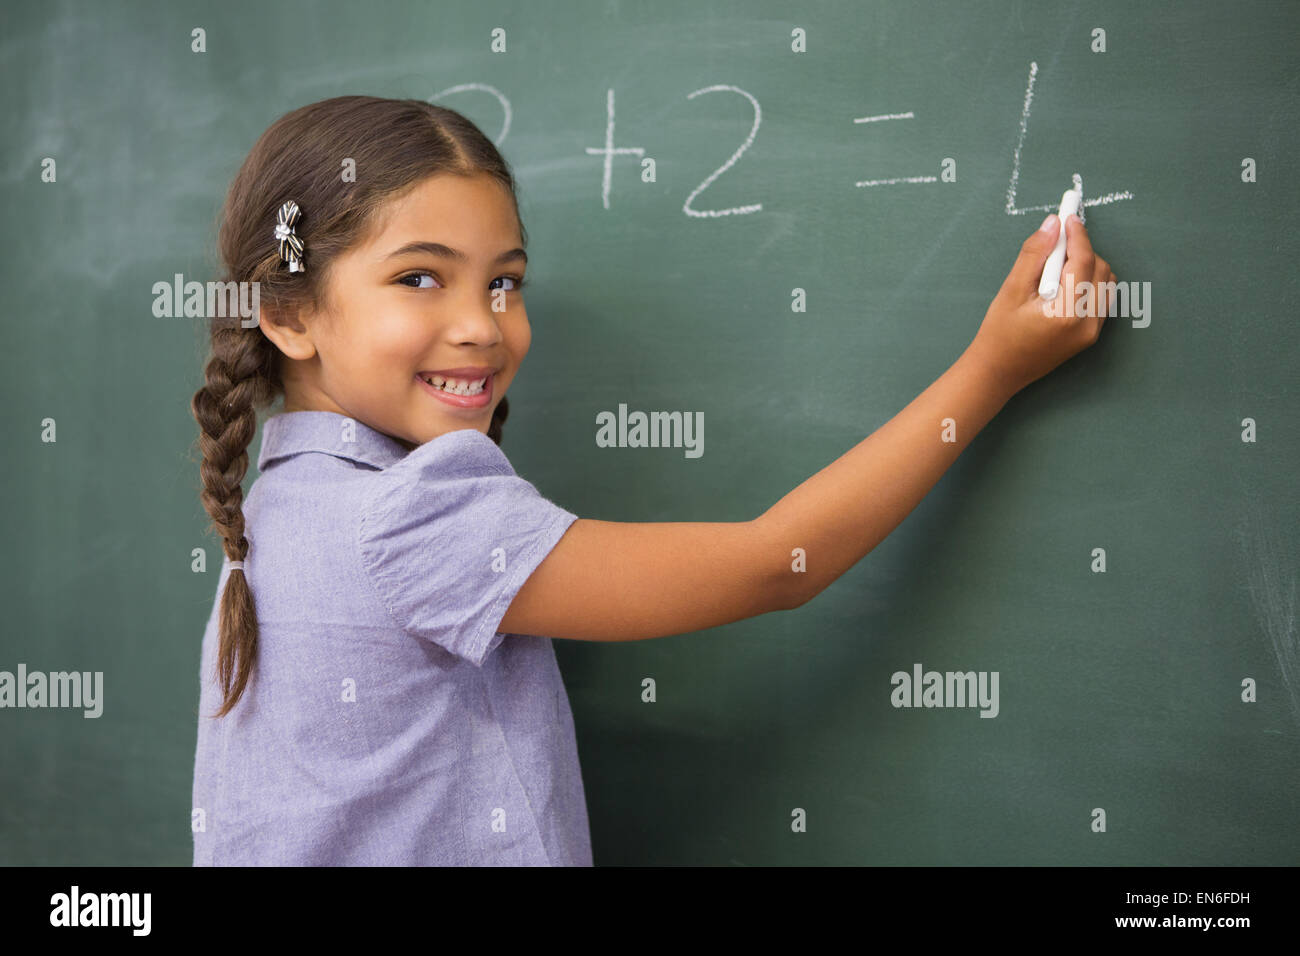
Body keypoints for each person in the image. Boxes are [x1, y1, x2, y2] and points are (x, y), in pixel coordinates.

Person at [190, 95, 1115, 866]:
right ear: (288, 312)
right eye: (422, 279)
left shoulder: (281, 504)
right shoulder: (410, 513)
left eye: (503, 283)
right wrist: (994, 368)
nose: (482, 324)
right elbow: (776, 566)